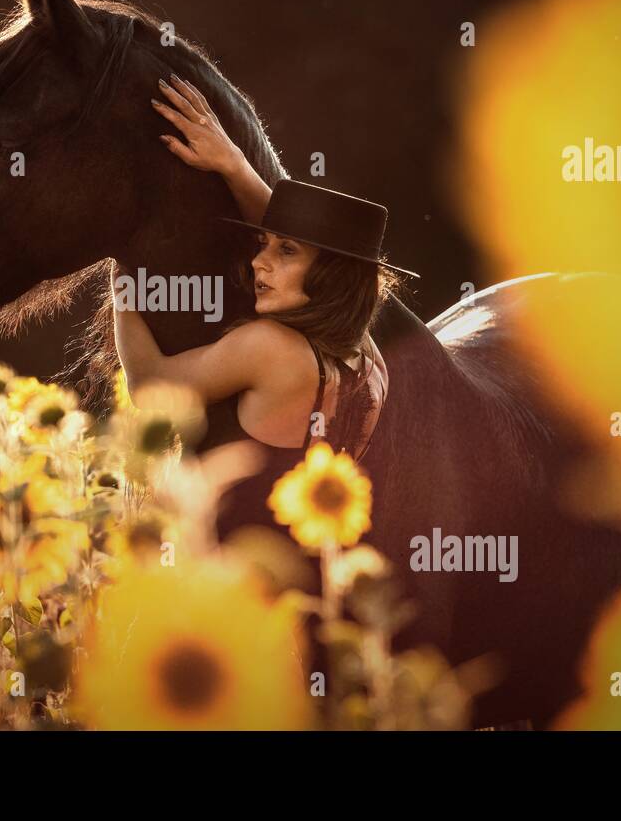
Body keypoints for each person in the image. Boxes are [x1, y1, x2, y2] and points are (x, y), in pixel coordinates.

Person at [112, 73, 419, 551]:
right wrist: (233, 165)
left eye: (285, 252)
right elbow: (318, 255)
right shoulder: (367, 359)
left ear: (332, 276)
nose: (259, 260)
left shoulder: (269, 349)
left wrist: (124, 283)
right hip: (300, 580)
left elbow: (151, 388)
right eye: (263, 244)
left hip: (227, 586)